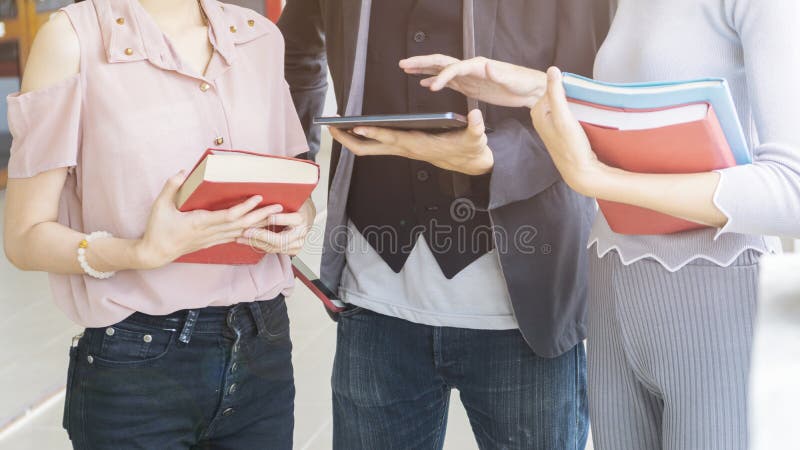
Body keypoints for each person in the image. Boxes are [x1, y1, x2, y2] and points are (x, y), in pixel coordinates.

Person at [403, 0, 800, 448]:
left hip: (718, 298)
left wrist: (601, 179)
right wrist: (538, 88)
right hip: (612, 286)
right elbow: (644, 104)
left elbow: (792, 189)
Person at [279, 1, 610, 448]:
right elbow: (296, 56)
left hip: (526, 305)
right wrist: (293, 175)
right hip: (374, 295)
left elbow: (594, 93)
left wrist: (498, 158)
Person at [2, 0, 314, 448]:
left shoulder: (259, 37)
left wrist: (299, 218)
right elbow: (24, 237)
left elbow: (294, 181)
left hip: (263, 348)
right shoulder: (72, 39)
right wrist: (139, 253)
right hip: (137, 364)